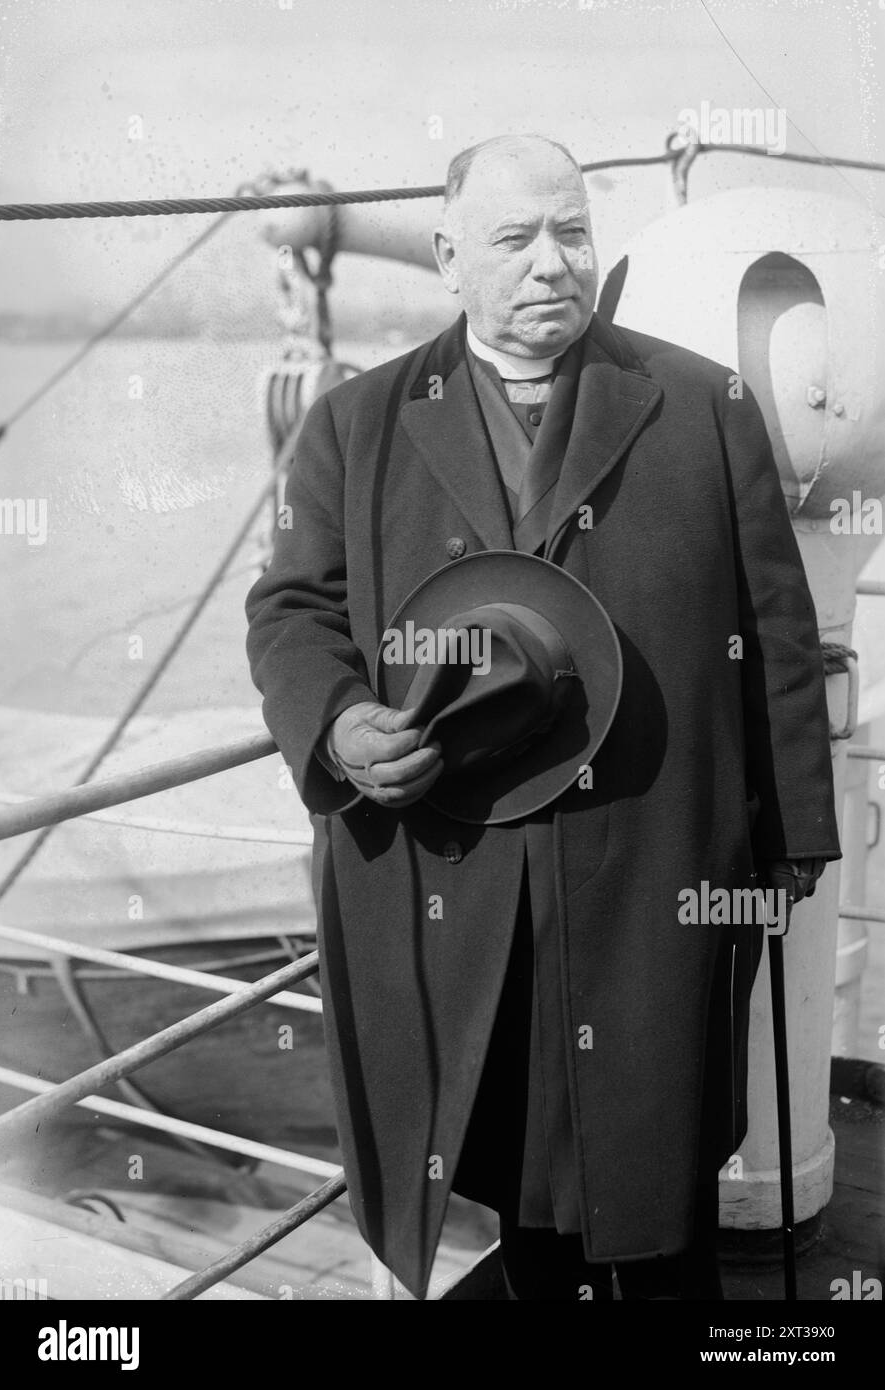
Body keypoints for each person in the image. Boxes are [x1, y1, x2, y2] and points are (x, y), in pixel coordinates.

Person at [245, 133, 841, 1300]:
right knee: (520, 1173)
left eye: (571, 232)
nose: (551, 264)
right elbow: (290, 613)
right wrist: (340, 725)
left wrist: (796, 837)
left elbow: (776, 629)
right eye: (515, 239)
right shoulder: (354, 428)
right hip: (464, 874)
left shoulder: (701, 404)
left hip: (652, 862)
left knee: (662, 1170)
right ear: (448, 255)